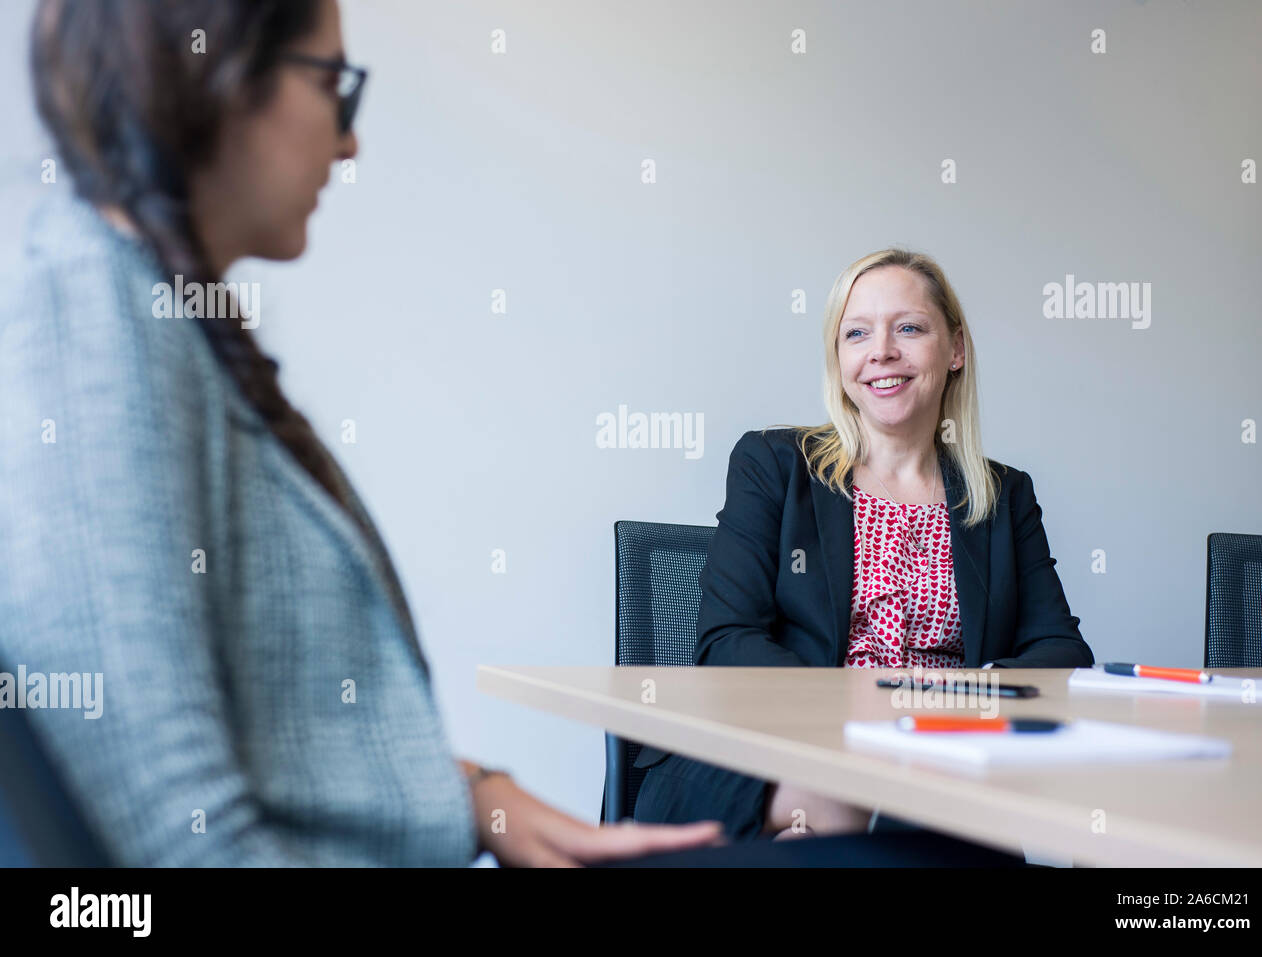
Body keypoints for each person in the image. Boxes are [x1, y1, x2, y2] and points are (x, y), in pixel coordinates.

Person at [0, 0, 724, 867]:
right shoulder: (88, 312)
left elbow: (268, 745)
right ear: (218, 74)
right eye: (333, 86)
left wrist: (475, 796)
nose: (350, 145)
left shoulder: (145, 311)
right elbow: (181, 839)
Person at [632, 249, 1095, 845]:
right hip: (772, 755)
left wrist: (967, 693)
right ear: (840, 358)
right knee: (838, 808)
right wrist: (860, 707)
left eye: (908, 327)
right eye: (857, 333)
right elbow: (727, 642)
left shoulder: (1003, 495)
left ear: (955, 349)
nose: (881, 351)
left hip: (941, 768)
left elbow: (1060, 650)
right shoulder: (775, 464)